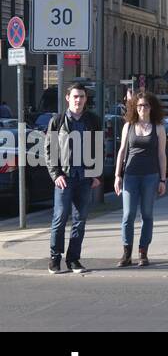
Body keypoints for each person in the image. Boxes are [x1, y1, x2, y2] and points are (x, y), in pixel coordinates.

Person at [45, 85, 101, 274]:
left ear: (86, 99)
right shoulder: (57, 121)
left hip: (84, 178)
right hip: (65, 179)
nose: (79, 100)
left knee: (80, 220)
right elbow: (49, 150)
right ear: (68, 98)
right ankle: (55, 258)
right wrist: (56, 175)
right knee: (60, 218)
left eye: (82, 97)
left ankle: (73, 259)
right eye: (75, 96)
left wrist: (96, 173)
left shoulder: (92, 121)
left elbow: (98, 147)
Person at [113, 89, 167, 268]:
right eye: (139, 106)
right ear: (134, 108)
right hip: (131, 175)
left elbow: (161, 155)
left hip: (150, 176)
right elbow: (121, 151)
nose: (142, 108)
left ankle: (143, 252)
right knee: (128, 214)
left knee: (147, 214)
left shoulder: (158, 128)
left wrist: (163, 179)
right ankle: (126, 253)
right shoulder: (128, 126)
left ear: (151, 107)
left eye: (145, 105)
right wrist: (117, 175)